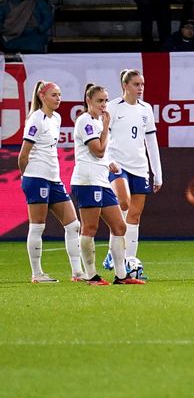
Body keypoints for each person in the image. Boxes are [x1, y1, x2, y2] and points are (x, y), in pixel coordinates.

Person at [18, 80, 88, 283]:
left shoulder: (56, 118)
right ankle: (37, 274)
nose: (58, 99)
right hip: (36, 177)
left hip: (54, 179)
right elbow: (23, 155)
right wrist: (27, 176)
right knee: (38, 226)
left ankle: (77, 272)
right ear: (42, 96)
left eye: (59, 95)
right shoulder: (35, 120)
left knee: (73, 224)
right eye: (54, 95)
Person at [72, 83, 142, 284]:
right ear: (88, 101)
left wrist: (108, 163)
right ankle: (91, 275)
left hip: (100, 180)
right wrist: (105, 130)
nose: (104, 105)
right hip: (87, 180)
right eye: (99, 101)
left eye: (105, 101)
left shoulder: (96, 121)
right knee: (90, 228)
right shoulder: (85, 121)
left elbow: (101, 156)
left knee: (119, 226)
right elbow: (98, 150)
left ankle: (121, 276)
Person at [101, 69, 162, 273]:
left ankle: (129, 261)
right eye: (136, 84)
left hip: (140, 167)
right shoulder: (113, 107)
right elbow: (104, 137)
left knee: (134, 217)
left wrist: (157, 173)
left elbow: (151, 142)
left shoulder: (146, 109)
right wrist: (108, 160)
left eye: (142, 84)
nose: (140, 88)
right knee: (124, 203)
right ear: (125, 86)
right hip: (118, 164)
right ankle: (114, 251)